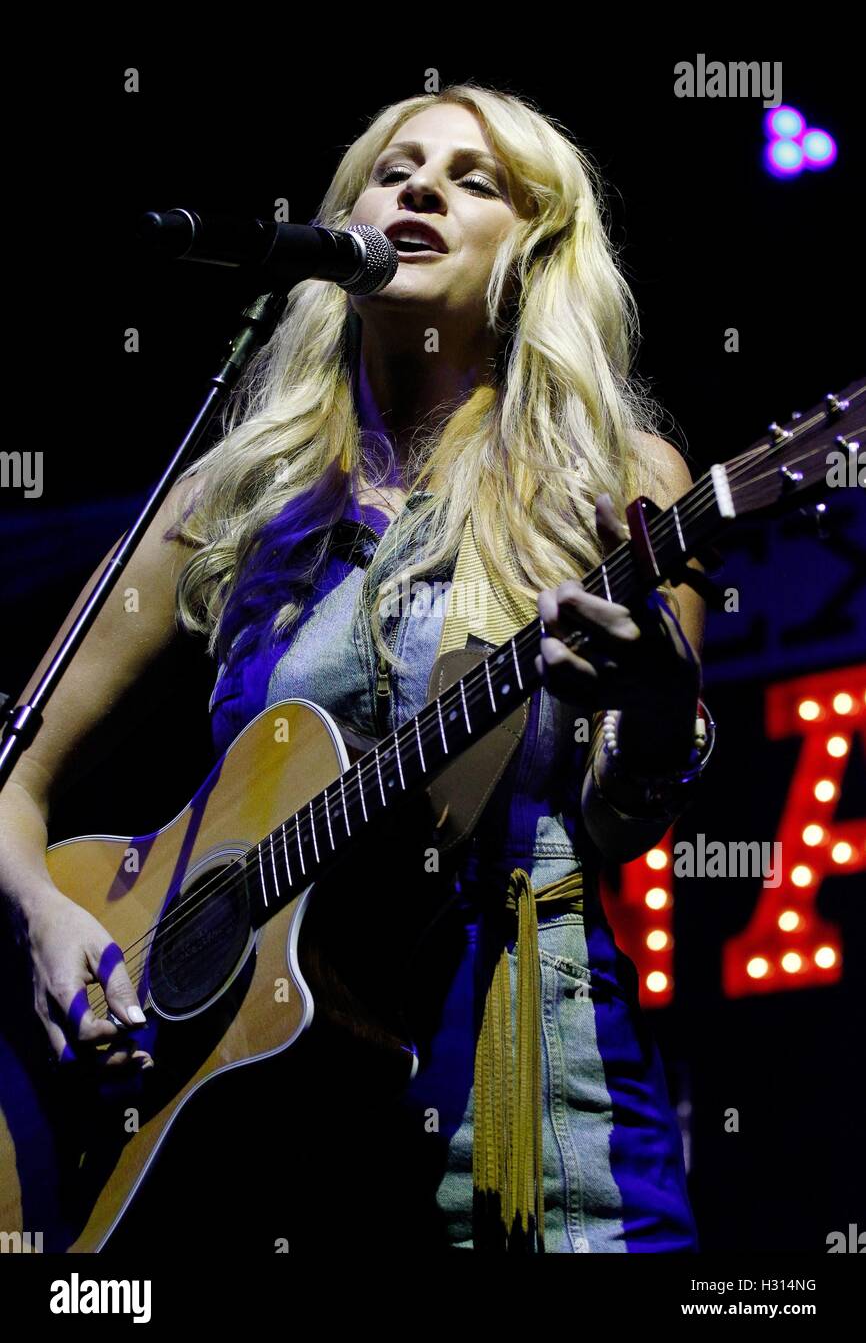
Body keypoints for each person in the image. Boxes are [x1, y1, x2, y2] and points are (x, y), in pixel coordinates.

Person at [0, 83, 710, 1253]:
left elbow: (627, 813)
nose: (421, 188)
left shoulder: (615, 479)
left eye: (472, 180)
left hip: (527, 1067)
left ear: (530, 253)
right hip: (261, 1125)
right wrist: (45, 921)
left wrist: (655, 702)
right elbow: (12, 775)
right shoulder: (235, 499)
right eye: (395, 171)